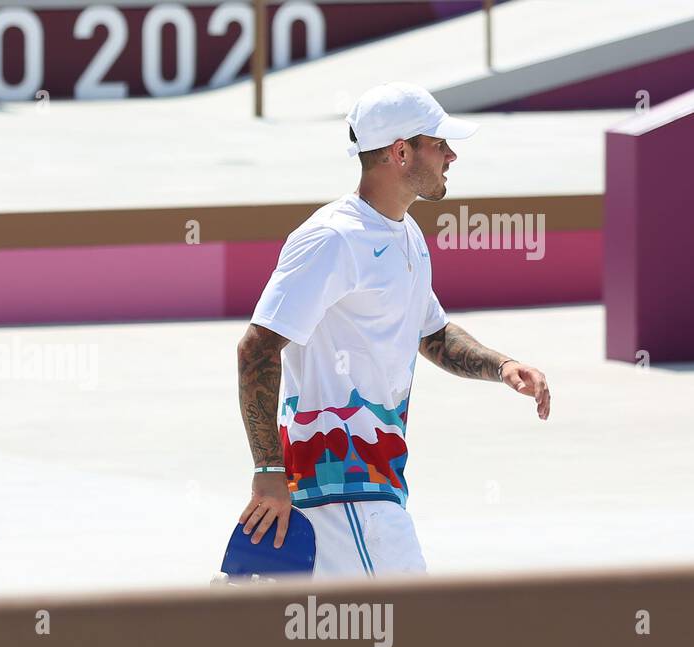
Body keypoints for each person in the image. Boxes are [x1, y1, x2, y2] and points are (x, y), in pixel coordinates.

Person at [236, 82, 551, 577]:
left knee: (377, 646)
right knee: (417, 639)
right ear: (401, 152)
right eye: (439, 143)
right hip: (342, 491)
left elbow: (433, 334)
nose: (451, 155)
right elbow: (257, 347)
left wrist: (503, 365)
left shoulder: (406, 234)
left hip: (378, 485)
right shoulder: (332, 239)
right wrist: (269, 471)